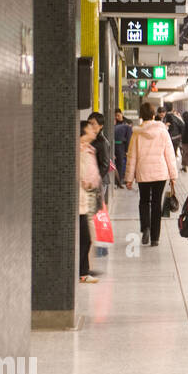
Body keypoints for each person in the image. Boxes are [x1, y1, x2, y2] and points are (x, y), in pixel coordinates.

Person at [125, 101, 178, 247]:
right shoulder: (162, 131)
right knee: (156, 203)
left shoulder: (136, 133)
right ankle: (155, 238)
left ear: (141, 116)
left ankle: (145, 227)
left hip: (143, 173)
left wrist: (129, 178)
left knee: (144, 201)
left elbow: (132, 156)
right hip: (160, 173)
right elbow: (170, 154)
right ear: (154, 115)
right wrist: (173, 176)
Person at [78, 119, 102, 284]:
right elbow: (85, 176)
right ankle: (82, 272)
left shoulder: (88, 149)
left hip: (84, 198)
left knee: (85, 237)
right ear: (82, 134)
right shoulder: (81, 151)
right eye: (90, 129)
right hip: (81, 197)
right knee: (85, 237)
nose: (94, 130)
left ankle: (83, 271)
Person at [87, 111, 111, 203]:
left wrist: (95, 180)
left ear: (101, 126)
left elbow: (105, 165)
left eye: (93, 124)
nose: (90, 126)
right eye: (89, 123)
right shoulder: (90, 139)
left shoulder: (102, 142)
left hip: (99, 181)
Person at [113, 110, 133, 185]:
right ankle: (117, 179)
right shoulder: (113, 123)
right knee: (117, 163)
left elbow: (128, 137)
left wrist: (127, 149)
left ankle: (120, 179)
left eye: (118, 115)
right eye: (115, 115)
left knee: (121, 163)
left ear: (121, 114)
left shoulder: (127, 123)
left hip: (122, 146)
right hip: (115, 145)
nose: (117, 117)